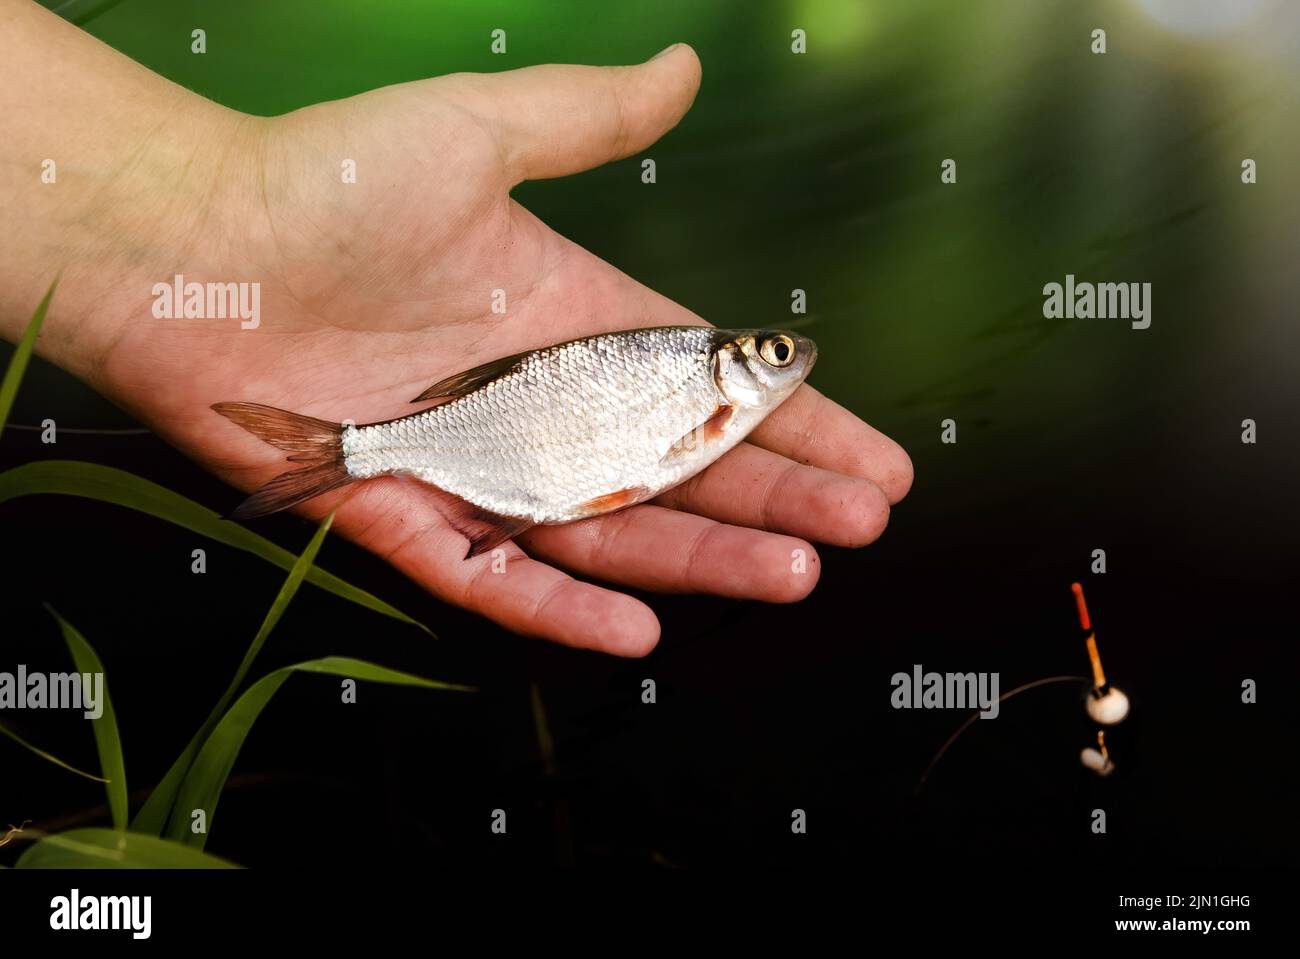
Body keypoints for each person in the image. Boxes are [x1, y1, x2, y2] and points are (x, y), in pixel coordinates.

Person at [0, 1, 912, 655]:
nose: (787, 360)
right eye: (776, 352)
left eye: (778, 353)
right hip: (501, 449)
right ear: (739, 366)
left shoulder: (712, 395)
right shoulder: (707, 384)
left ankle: (354, 450)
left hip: (522, 456)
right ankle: (351, 450)